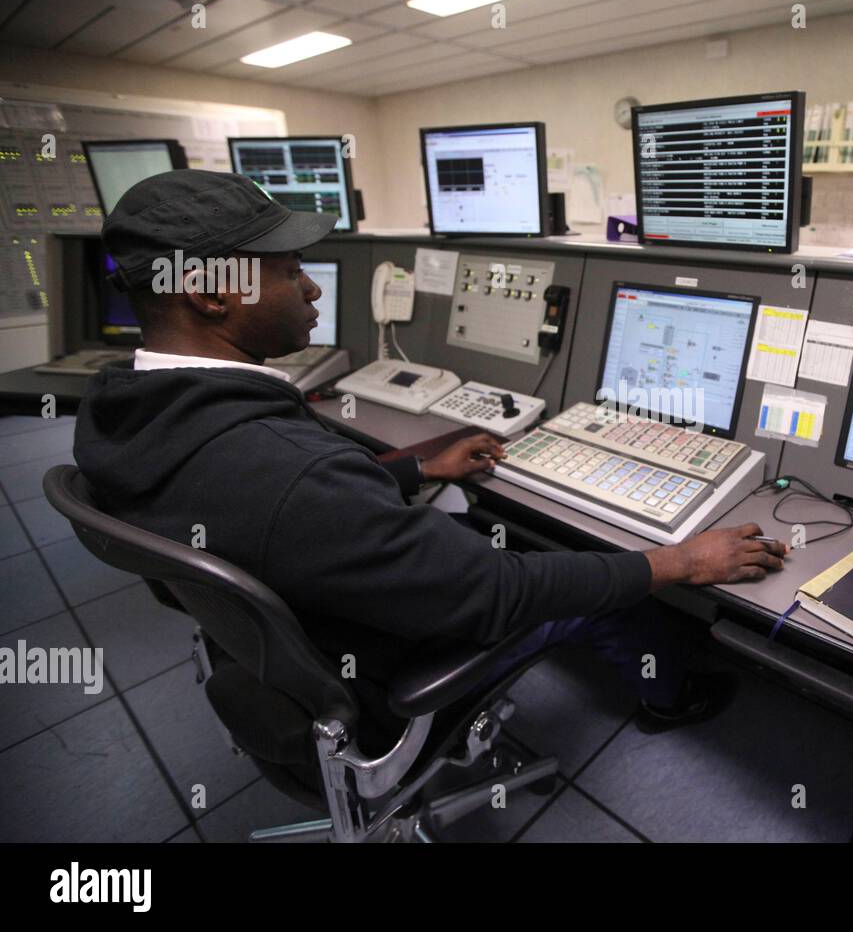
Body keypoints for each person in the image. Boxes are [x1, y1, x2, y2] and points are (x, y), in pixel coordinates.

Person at [73, 170, 786, 738]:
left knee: (478, 523)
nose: (313, 286)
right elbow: (500, 592)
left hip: (292, 645)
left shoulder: (122, 412)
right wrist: (681, 562)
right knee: (606, 588)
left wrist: (417, 467)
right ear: (209, 295)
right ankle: (671, 700)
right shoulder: (287, 468)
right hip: (382, 672)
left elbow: (287, 507)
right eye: (290, 269)